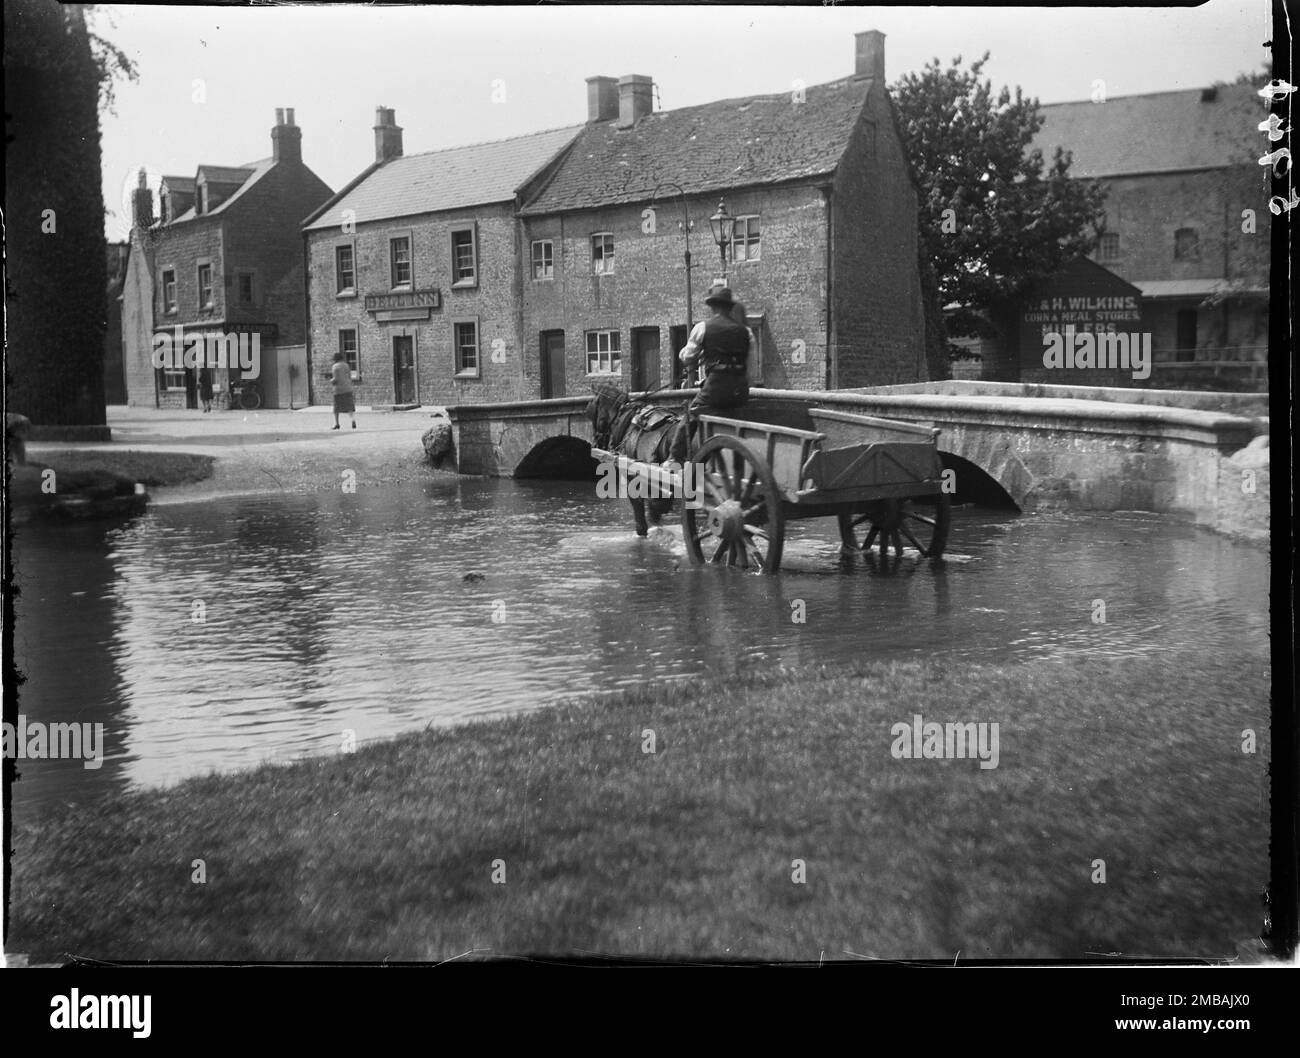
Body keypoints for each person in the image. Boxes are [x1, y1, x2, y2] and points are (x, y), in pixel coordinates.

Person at [670, 284, 755, 460]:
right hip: (740, 392)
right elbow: (750, 368)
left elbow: (687, 358)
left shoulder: (703, 328)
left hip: (716, 389)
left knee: (691, 414)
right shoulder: (746, 332)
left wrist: (695, 353)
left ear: (713, 306)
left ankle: (674, 458)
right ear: (730, 308)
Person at [330, 352, 356, 429]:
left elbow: (336, 379)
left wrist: (331, 381)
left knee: (336, 408)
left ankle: (337, 424)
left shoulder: (335, 367)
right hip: (348, 388)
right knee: (349, 407)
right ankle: (353, 420)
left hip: (338, 390)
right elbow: (349, 377)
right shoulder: (346, 365)